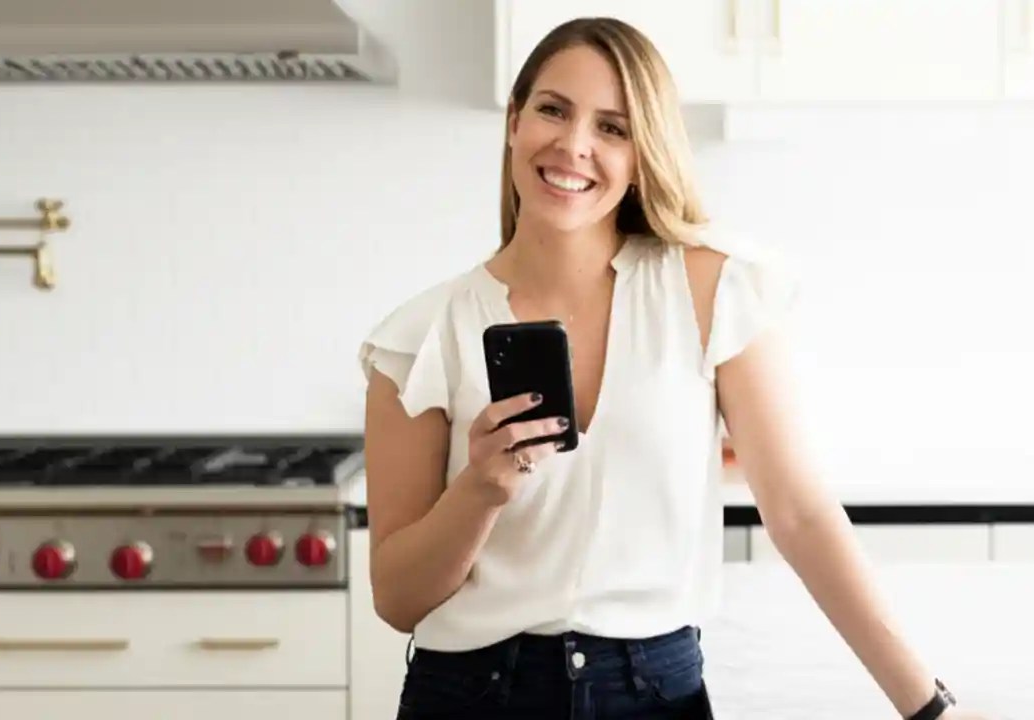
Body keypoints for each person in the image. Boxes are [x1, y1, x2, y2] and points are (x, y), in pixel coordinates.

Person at [359, 16, 991, 720]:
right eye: (553, 110)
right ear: (514, 121)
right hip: (468, 696)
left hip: (652, 692)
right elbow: (398, 599)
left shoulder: (711, 291)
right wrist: (479, 490)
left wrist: (929, 708)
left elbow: (800, 515)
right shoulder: (419, 339)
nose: (574, 145)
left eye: (612, 127)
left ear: (642, 154)